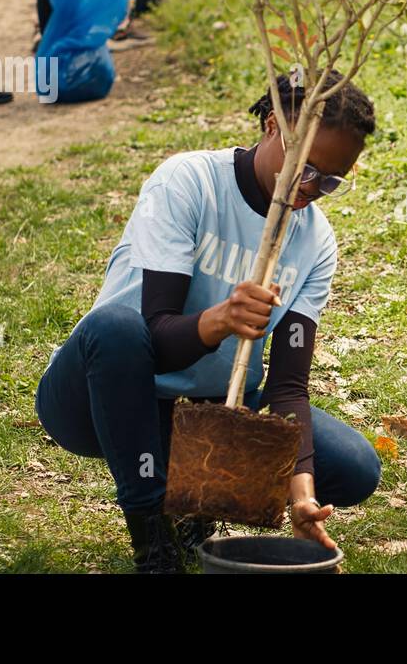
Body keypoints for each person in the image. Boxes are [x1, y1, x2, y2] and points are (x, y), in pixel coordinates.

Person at [35, 72, 382, 573]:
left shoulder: (315, 242)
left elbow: (288, 389)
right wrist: (219, 321)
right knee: (116, 327)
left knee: (352, 467)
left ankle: (194, 504)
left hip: (204, 417)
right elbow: (154, 336)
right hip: (101, 397)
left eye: (330, 181)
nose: (311, 189)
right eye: (305, 169)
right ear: (272, 127)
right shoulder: (189, 182)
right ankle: (154, 542)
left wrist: (301, 494)